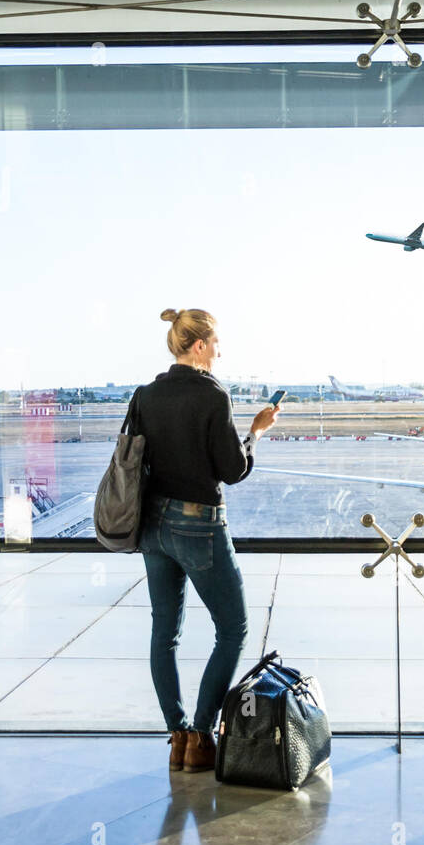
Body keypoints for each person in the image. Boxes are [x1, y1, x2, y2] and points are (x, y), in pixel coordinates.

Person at [135, 307, 279, 773]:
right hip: (198, 525)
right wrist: (255, 433)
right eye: (216, 343)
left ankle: (177, 737)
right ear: (199, 345)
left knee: (165, 632)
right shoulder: (213, 396)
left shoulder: (145, 395)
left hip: (153, 526)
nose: (220, 350)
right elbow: (232, 471)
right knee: (233, 628)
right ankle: (200, 735)